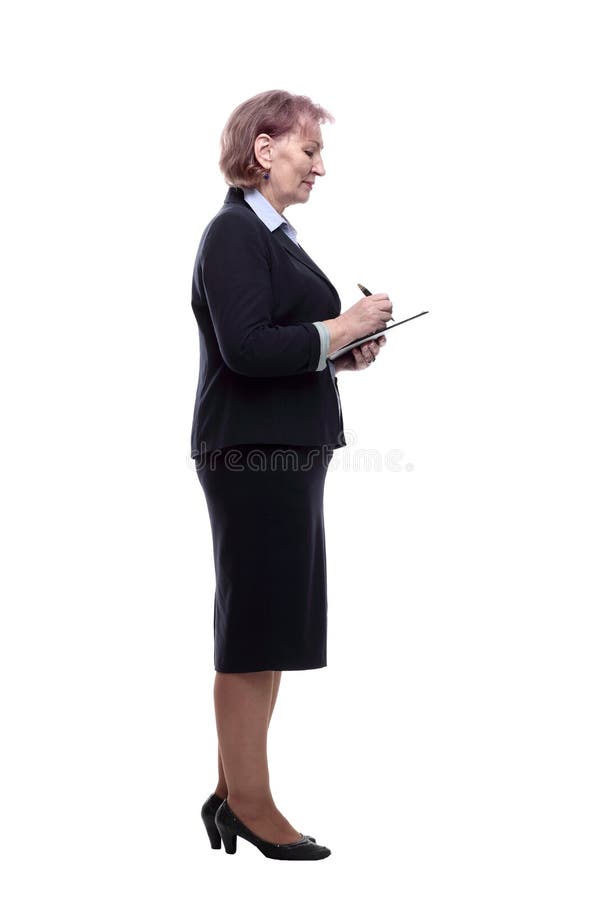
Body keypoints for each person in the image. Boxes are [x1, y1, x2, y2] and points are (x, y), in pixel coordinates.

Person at [191, 90, 393, 860]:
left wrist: (340, 351)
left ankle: (227, 790)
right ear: (265, 149)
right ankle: (249, 802)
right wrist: (340, 326)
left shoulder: (273, 237)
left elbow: (280, 341)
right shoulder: (232, 234)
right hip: (252, 454)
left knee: (267, 622)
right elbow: (245, 348)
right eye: (309, 152)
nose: (320, 168)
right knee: (253, 627)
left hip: (282, 450)